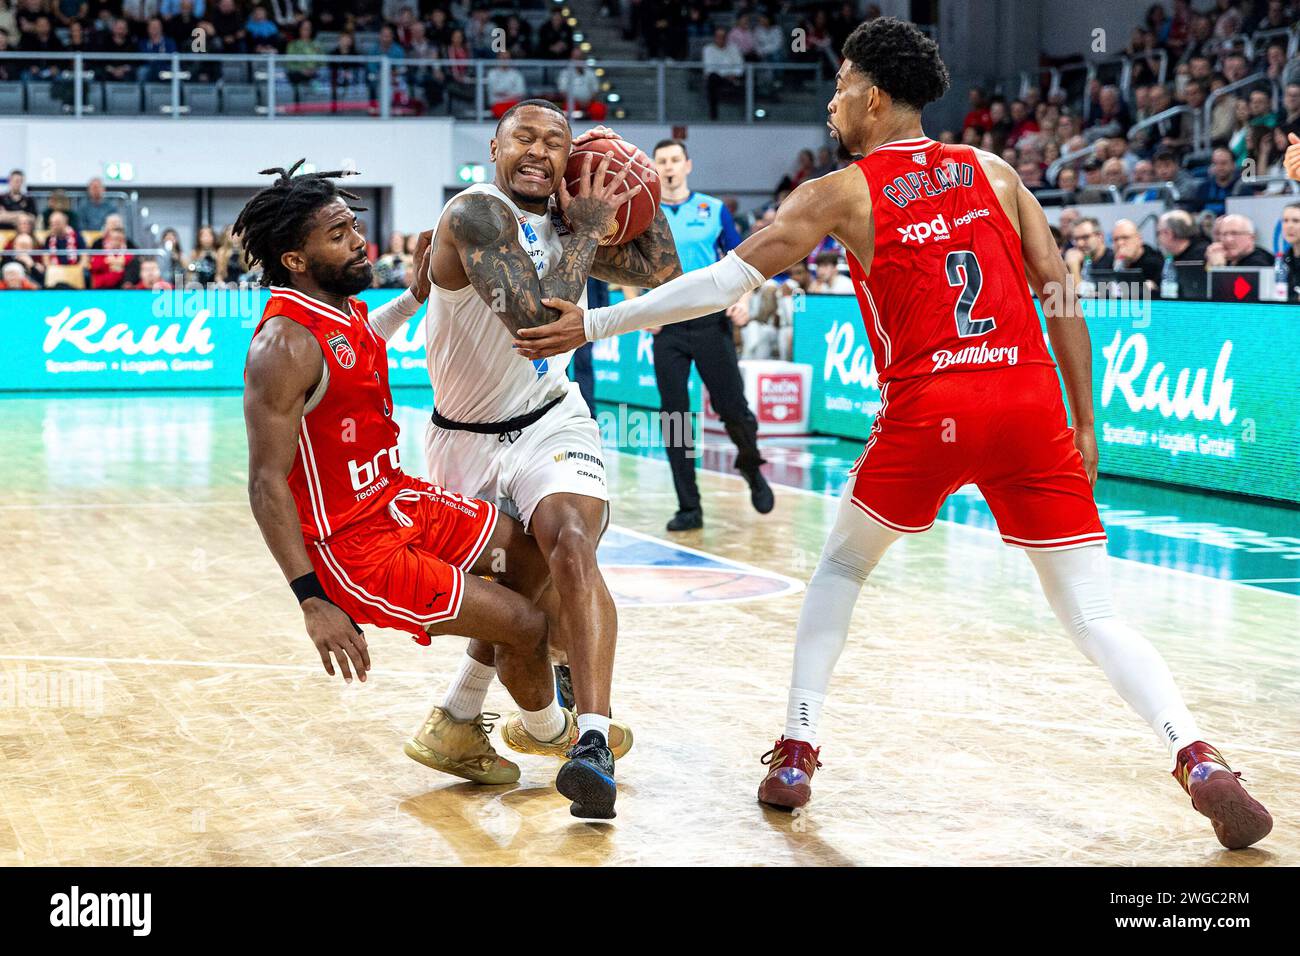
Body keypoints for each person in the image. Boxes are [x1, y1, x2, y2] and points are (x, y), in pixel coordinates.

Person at [515, 17, 1273, 851]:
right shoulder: (994, 169)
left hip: (931, 406)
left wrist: (595, 324)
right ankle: (1198, 757)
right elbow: (1061, 295)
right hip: (1028, 403)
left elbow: (721, 282)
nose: (833, 101)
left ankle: (798, 747)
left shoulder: (842, 191)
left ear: (873, 97)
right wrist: (1085, 421)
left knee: (839, 570)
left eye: (840, 85)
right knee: (1093, 614)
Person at [238, 160, 563, 795]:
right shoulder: (283, 345)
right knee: (525, 624)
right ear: (295, 259)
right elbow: (264, 484)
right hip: (354, 549)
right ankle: (558, 735)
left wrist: (415, 295)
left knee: (530, 553)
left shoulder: (338, 309)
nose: (359, 239)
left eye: (354, 224)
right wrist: (312, 600)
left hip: (397, 498)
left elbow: (363, 337)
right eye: (337, 233)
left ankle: (458, 723)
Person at [414, 102, 680, 818]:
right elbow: (539, 329)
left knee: (570, 541)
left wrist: (623, 186)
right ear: (493, 146)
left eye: (557, 143)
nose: (538, 151)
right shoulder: (474, 215)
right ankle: (462, 718)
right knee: (517, 614)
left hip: (550, 420)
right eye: (524, 138)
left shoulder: (566, 220)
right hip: (463, 440)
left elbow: (662, 267)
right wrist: (590, 227)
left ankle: (590, 740)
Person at [649, 138, 774, 531]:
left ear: (687, 164)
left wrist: (742, 299)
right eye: (662, 161)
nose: (668, 167)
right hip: (667, 326)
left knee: (733, 408)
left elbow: (744, 260)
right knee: (675, 418)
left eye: (674, 160)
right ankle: (689, 507)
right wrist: (638, 307)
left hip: (711, 321)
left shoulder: (713, 209)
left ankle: (751, 466)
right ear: (654, 168)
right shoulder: (645, 215)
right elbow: (622, 265)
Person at [702, 27, 743, 121]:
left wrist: (733, 74)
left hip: (733, 78)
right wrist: (726, 74)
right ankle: (714, 117)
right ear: (714, 37)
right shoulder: (708, 49)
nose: (721, 39)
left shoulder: (734, 48)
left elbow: (740, 65)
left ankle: (745, 116)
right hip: (717, 78)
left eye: (723, 36)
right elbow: (709, 68)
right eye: (718, 36)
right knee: (712, 79)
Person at [1110, 218, 1163, 287]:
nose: (1120, 243)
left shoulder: (1156, 262)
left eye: (1125, 237)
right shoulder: (1113, 261)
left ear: (1139, 239)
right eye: (1116, 239)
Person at [1205, 213, 1273, 267]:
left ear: (1251, 238)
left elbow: (1241, 284)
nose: (1229, 239)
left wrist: (1218, 267)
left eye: (1235, 233)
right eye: (1224, 234)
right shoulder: (1229, 259)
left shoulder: (1258, 262)